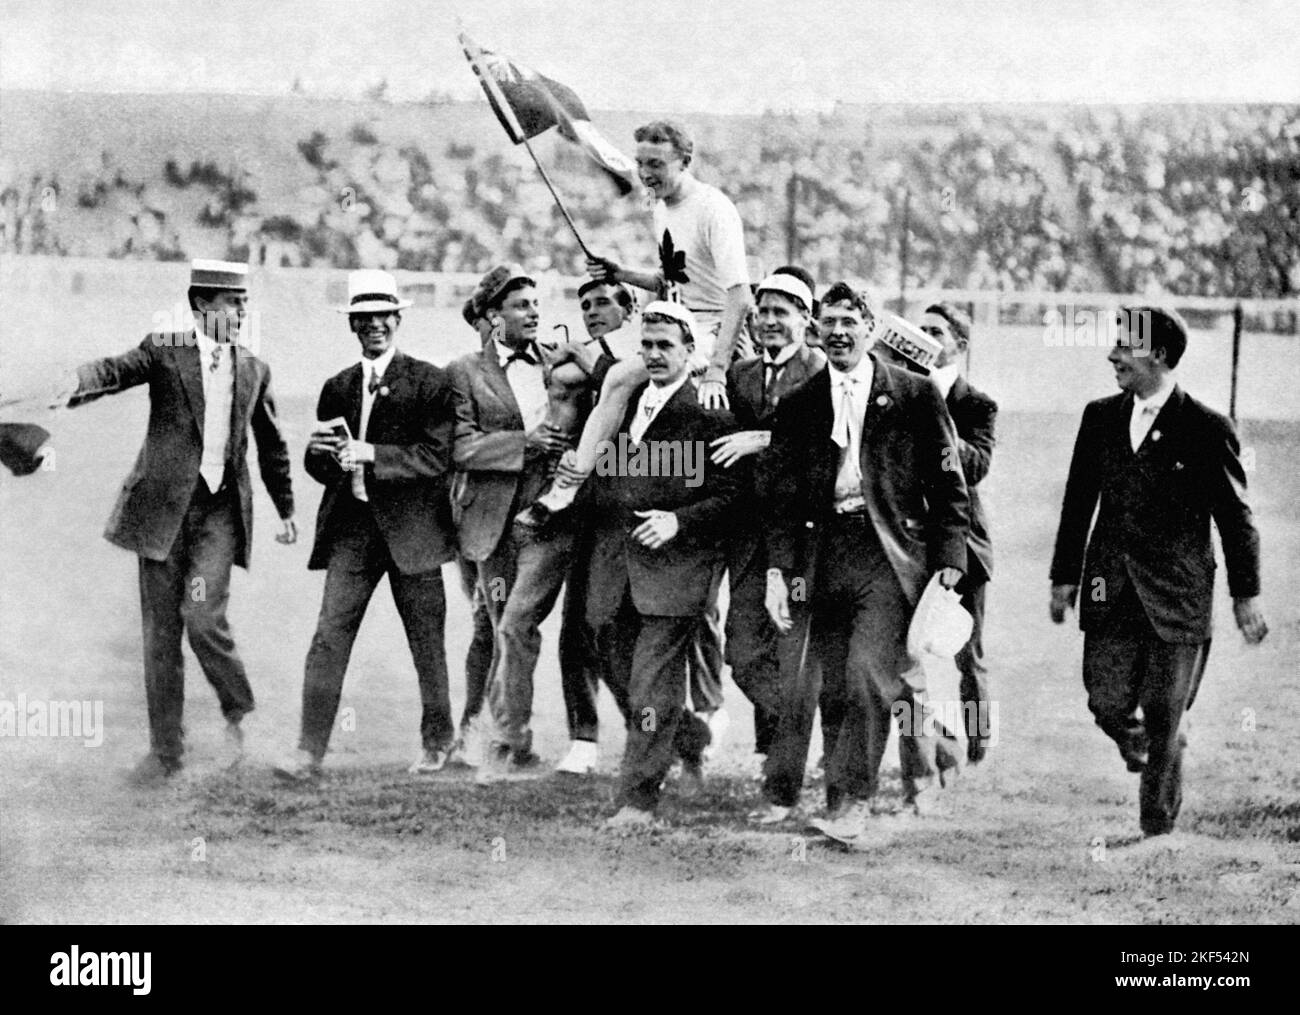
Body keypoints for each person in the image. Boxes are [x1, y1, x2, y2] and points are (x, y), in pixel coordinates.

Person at [62, 259, 297, 784]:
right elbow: (113, 371)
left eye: (243, 304)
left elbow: (273, 445)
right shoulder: (164, 351)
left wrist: (285, 508)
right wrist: (72, 383)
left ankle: (244, 722)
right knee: (160, 635)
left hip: (218, 514)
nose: (241, 312)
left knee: (203, 617)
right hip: (160, 515)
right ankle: (165, 753)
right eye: (231, 304)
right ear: (200, 307)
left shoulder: (254, 368)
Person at [759, 282, 969, 836]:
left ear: (872, 329)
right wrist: (779, 572)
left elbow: (950, 489)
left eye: (850, 321)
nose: (838, 332)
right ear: (815, 330)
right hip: (821, 557)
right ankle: (840, 797)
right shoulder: (799, 403)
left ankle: (852, 804)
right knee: (832, 684)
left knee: (870, 676)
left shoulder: (916, 394)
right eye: (828, 322)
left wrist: (948, 570)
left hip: (889, 557)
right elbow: (779, 498)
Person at [1049, 306, 1266, 839]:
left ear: (1161, 356)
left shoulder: (1207, 427)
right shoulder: (1098, 417)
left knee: (1165, 710)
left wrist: (1246, 595)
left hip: (1178, 595)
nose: (1112, 355)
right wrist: (1064, 577)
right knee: (1105, 699)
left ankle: (1156, 827)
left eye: (1124, 346)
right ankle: (1144, 744)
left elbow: (1236, 518)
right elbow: (1078, 502)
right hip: (1109, 585)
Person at [272, 271, 456, 781]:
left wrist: (370, 453)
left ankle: (438, 742)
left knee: (427, 642)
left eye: (383, 316)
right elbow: (325, 467)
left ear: (398, 320)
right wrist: (319, 456)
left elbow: (436, 458)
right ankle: (309, 752)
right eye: (364, 318)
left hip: (414, 533)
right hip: (353, 530)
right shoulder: (337, 387)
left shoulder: (429, 381)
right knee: (329, 637)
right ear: (353, 325)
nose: (375, 325)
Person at [584, 302, 741, 829]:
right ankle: (690, 739)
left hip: (678, 573)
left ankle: (637, 800)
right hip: (620, 568)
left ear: (690, 353)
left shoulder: (710, 410)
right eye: (645, 345)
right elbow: (613, 474)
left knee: (652, 683)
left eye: (664, 346)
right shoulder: (626, 402)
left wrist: (678, 521)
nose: (652, 355)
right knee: (615, 666)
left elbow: (734, 494)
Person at [447, 264, 592, 783]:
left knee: (516, 622)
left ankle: (508, 741)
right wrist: (525, 444)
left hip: (551, 517)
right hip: (489, 520)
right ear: (491, 316)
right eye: (520, 305)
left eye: (535, 304)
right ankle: (483, 731)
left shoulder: (565, 361)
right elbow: (460, 447)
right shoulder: (464, 371)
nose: (533, 313)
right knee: (492, 626)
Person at [874, 304, 1000, 764]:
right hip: (908, 540)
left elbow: (977, 468)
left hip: (962, 545)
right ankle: (931, 749)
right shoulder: (898, 390)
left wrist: (933, 414)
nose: (925, 337)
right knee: (909, 656)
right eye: (918, 330)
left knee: (969, 652)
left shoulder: (976, 403)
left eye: (934, 332)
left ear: (958, 346)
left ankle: (978, 737)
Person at [713, 272, 826, 770]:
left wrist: (761, 440)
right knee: (742, 649)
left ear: (806, 320)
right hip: (747, 533)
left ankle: (776, 754)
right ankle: (795, 730)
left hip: (804, 536)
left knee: (792, 644)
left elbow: (825, 448)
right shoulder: (740, 375)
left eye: (783, 312)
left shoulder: (822, 372)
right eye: (763, 312)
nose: (770, 322)